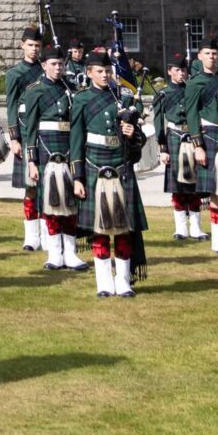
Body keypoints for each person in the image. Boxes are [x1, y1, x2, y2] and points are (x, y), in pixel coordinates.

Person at [68, 49, 146, 296]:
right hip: (94, 166)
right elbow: (76, 140)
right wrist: (77, 177)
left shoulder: (123, 98)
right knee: (99, 230)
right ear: (89, 73)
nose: (105, 75)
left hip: (121, 167)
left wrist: (132, 133)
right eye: (100, 71)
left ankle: (122, 281)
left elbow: (139, 141)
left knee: (123, 229)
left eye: (108, 71)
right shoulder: (81, 100)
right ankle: (103, 282)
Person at [24, 47, 79, 269]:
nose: (58, 68)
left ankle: (71, 253)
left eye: (61, 64)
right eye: (54, 64)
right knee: (52, 202)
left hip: (69, 148)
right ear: (44, 65)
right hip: (47, 149)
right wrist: (31, 160)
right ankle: (55, 254)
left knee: (71, 203)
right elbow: (30, 128)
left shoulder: (71, 89)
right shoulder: (34, 90)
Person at [182, 42, 218, 251]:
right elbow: (192, 114)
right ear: (200, 57)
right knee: (216, 191)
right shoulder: (194, 83)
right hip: (210, 134)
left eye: (214, 53)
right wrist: (198, 146)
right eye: (207, 53)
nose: (211, 57)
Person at [2, 27, 48, 251]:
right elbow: (11, 106)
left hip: (45, 131)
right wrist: (14, 138)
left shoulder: (46, 69)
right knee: (30, 187)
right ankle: (31, 237)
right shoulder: (15, 74)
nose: (34, 49)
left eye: (37, 46)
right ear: (22, 45)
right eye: (30, 45)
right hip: (24, 129)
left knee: (48, 186)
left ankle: (48, 235)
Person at [149, 57, 200, 239]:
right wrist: (163, 148)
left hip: (193, 136)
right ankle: (181, 228)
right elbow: (158, 122)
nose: (181, 73)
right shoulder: (163, 93)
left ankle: (196, 228)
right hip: (174, 137)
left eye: (184, 70)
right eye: (177, 70)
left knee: (194, 184)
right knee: (177, 186)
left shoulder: (192, 90)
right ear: (170, 71)